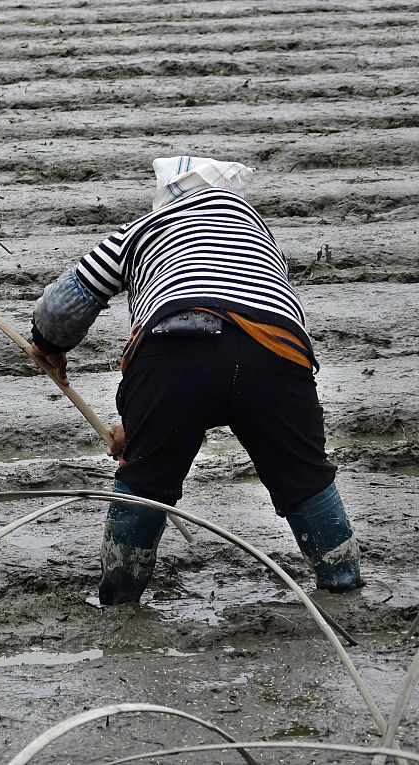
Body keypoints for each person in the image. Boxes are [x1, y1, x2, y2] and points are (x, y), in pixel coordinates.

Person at [29, 156, 364, 605]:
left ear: (168, 195)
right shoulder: (259, 234)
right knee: (305, 478)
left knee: (145, 482)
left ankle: (119, 596)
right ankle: (343, 583)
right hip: (274, 353)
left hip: (171, 350)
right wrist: (138, 425)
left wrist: (49, 345)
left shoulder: (144, 229)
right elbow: (232, 351)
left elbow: (66, 304)